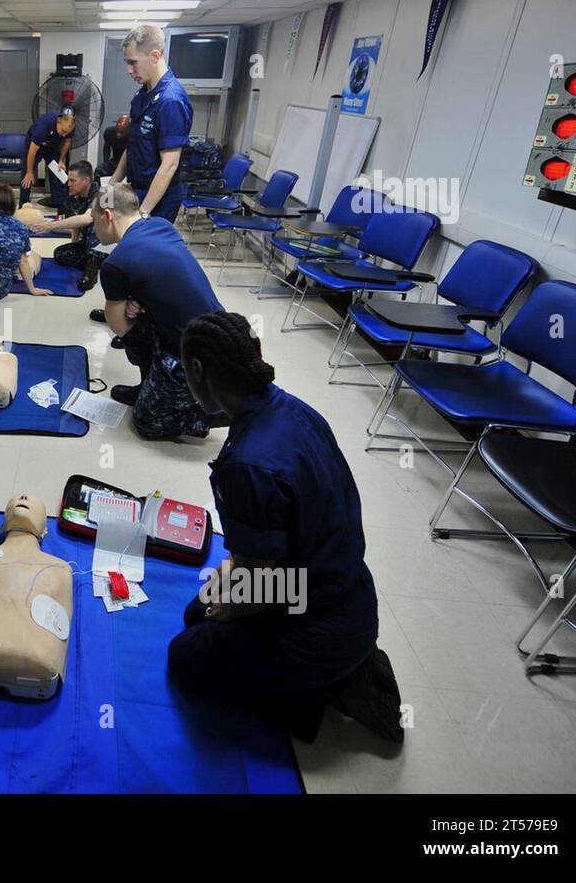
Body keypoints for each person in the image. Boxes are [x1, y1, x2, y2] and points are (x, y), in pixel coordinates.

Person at [168, 312, 403, 745]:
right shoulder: (293, 409)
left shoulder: (247, 465)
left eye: (186, 371)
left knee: (185, 659)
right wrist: (235, 577)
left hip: (316, 620)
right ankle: (322, 666)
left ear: (197, 370)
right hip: (338, 589)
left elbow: (256, 583)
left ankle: (314, 691)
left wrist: (234, 604)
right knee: (197, 613)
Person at [92, 184, 223, 439]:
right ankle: (148, 387)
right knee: (138, 320)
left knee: (146, 423)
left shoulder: (115, 263)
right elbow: (161, 278)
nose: (93, 227)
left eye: (94, 219)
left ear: (107, 216)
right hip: (219, 333)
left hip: (197, 357)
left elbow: (119, 326)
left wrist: (131, 306)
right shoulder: (161, 224)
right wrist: (137, 300)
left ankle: (215, 414)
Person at [111, 24, 193, 222]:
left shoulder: (171, 100)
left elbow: (169, 165)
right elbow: (133, 145)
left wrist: (143, 213)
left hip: (159, 198)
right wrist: (112, 184)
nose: (129, 70)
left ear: (155, 56)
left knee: (145, 249)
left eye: (133, 63)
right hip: (137, 188)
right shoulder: (143, 94)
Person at [32, 160, 104, 291]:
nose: (68, 184)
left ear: (86, 181)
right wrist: (74, 244)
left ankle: (91, 269)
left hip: (106, 246)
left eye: (73, 180)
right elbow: (75, 221)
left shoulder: (101, 193)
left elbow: (86, 219)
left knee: (96, 221)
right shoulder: (75, 195)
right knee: (60, 254)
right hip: (88, 245)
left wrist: (52, 226)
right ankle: (93, 261)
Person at [21, 109, 76, 209]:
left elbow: (67, 142)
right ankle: (24, 204)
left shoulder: (70, 127)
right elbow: (32, 151)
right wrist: (30, 172)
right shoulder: (44, 125)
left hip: (52, 146)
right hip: (34, 147)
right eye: (63, 131)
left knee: (58, 171)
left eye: (66, 133)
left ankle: (59, 202)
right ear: (58, 122)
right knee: (27, 176)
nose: (64, 135)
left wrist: (61, 160)